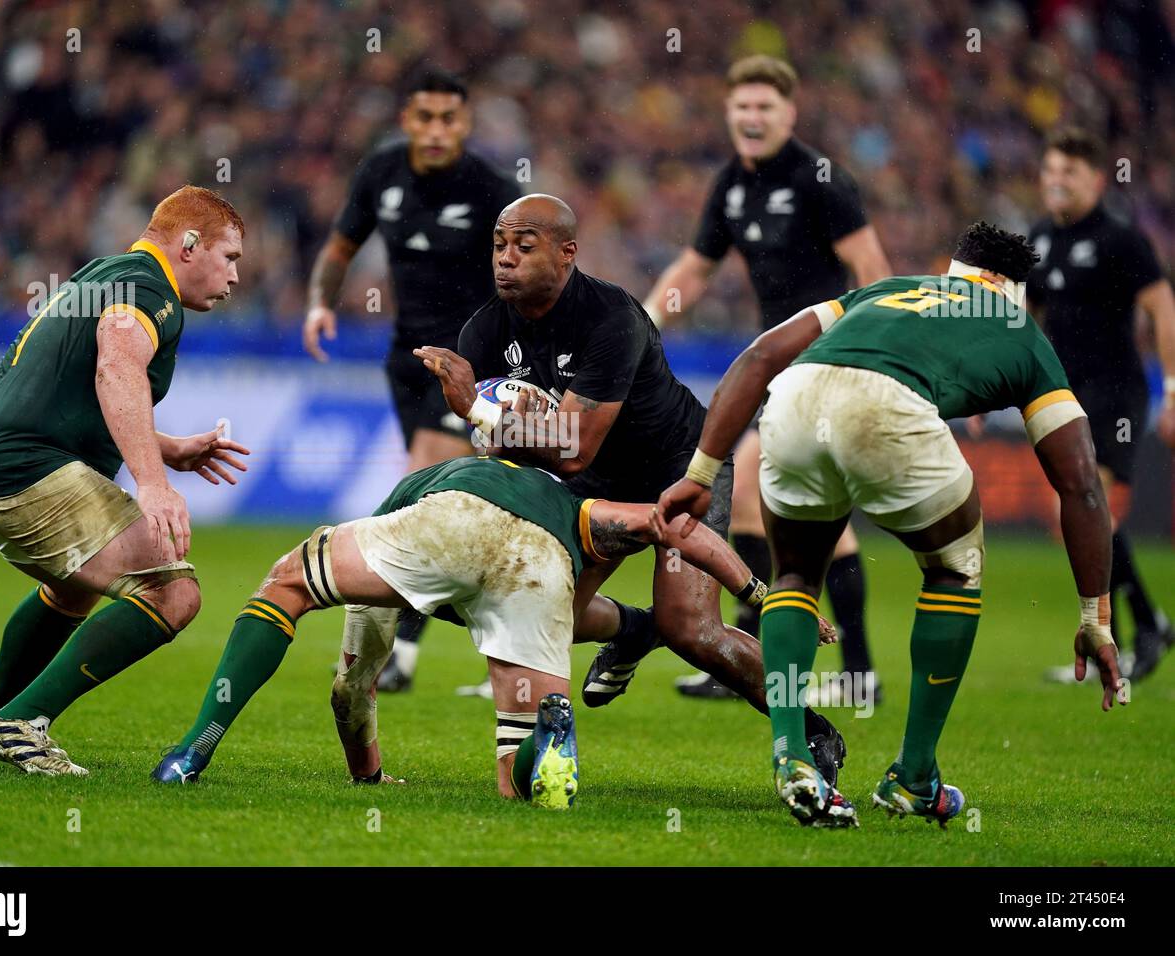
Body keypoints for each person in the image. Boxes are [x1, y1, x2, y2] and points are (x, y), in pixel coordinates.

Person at [655, 222, 1125, 828]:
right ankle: (914, 776)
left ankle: (792, 755)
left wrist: (701, 471)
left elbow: (761, 357)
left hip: (796, 396)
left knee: (796, 572)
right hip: (888, 406)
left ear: (952, 271)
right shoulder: (1025, 333)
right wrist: (1095, 615)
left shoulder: (883, 292)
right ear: (1014, 289)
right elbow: (1082, 484)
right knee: (957, 568)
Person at [413, 193, 848, 786]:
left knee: (691, 629)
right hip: (593, 487)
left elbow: (574, 447)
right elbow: (510, 450)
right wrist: (491, 436)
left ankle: (811, 732)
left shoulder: (610, 319)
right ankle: (633, 630)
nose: (504, 259)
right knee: (541, 615)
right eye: (498, 245)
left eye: (523, 245)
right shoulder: (485, 330)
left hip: (683, 471)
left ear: (567, 253)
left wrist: (479, 411)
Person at [151, 455, 816, 806]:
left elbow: (351, 695)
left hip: (450, 524)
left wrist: (368, 778)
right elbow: (672, 527)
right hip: (541, 570)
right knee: (511, 774)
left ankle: (193, 751)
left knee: (287, 584)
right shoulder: (574, 499)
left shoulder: (429, 484)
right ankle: (542, 742)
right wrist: (754, 590)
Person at [0, 186, 250, 776]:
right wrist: (153, 481)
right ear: (189, 244)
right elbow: (116, 364)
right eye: (230, 256)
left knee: (73, 590)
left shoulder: (108, 273)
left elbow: (81, 392)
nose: (236, 275)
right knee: (173, 593)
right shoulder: (149, 289)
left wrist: (168, 448)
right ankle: (20, 723)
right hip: (27, 465)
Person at [644, 55, 892, 700]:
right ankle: (838, 670)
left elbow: (871, 270)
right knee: (789, 510)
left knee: (756, 488)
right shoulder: (731, 183)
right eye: (742, 108)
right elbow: (695, 269)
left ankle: (775, 658)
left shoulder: (820, 178)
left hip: (827, 364)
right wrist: (644, 323)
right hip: (778, 371)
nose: (752, 119)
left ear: (790, 114)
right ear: (729, 114)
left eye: (765, 108)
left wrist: (872, 356)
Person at [301, 68, 520, 692]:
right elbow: (341, 248)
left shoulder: (490, 189)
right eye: (423, 117)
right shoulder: (380, 173)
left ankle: (398, 654)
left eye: (448, 119)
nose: (434, 131)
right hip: (405, 357)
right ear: (406, 120)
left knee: (421, 490)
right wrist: (321, 303)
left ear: (466, 124)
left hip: (470, 363)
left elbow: (527, 272)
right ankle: (507, 646)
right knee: (461, 505)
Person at [1027, 127, 1175, 683]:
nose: (1057, 181)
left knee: (1095, 509)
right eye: (1050, 171)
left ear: (1095, 178)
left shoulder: (1120, 239)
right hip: (1064, 396)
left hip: (1116, 392)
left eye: (1069, 172)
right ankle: (1143, 624)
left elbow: (1162, 306)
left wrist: (1173, 391)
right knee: (1080, 516)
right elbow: (1023, 317)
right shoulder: (1039, 238)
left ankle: (1124, 632)